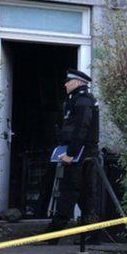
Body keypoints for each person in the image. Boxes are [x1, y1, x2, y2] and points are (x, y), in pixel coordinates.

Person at [47, 69, 101, 244]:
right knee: (85, 197)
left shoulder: (83, 102)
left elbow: (82, 129)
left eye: (68, 81)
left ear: (77, 83)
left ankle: (53, 235)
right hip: (82, 154)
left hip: (81, 155)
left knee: (70, 192)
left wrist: (70, 153)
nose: (65, 84)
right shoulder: (78, 100)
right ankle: (91, 236)